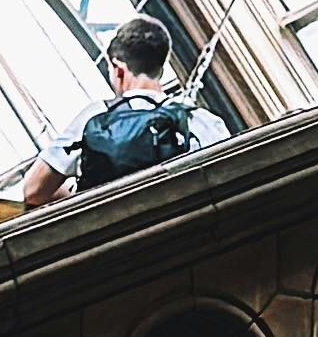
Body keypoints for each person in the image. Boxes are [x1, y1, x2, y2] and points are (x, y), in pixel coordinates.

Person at [20, 14, 225, 206]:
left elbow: (33, 191)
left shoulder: (97, 116)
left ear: (118, 69)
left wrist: (76, 192)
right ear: (161, 68)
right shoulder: (200, 120)